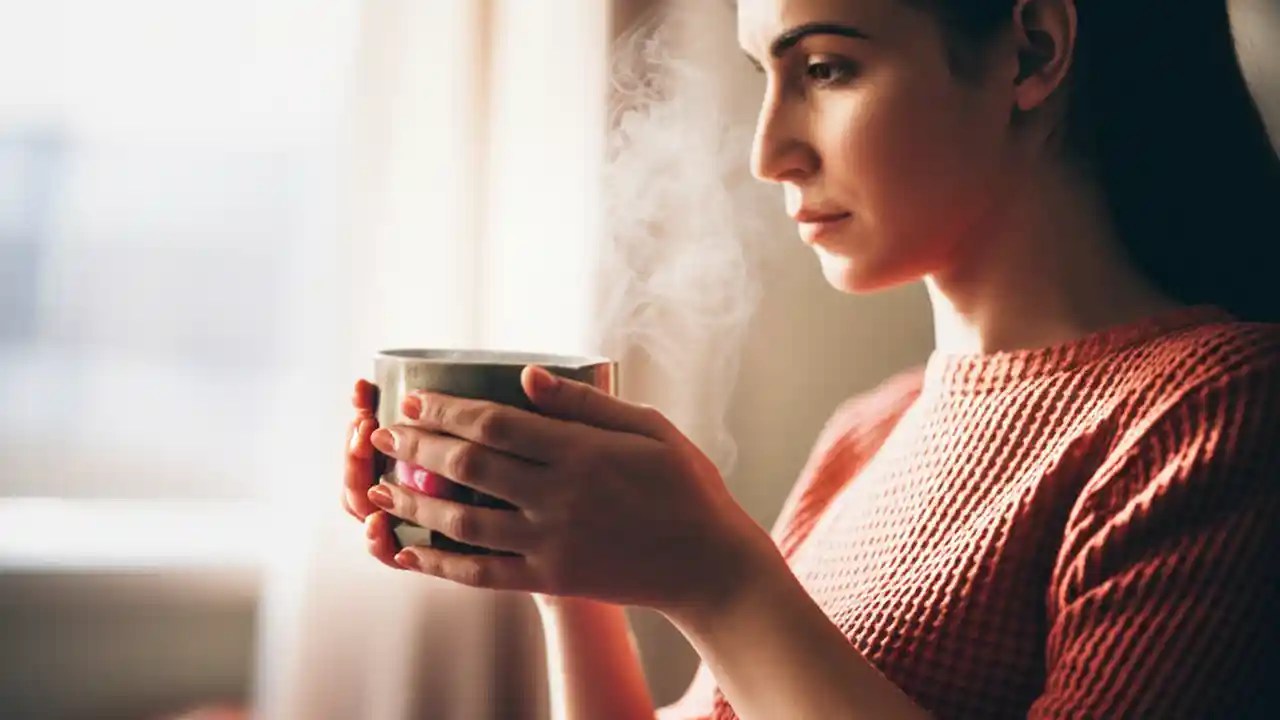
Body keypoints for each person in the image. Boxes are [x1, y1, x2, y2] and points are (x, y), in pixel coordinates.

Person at [341, 0, 1280, 717]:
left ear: (1031, 52)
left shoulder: (1219, 412)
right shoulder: (868, 431)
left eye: (827, 69)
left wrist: (719, 581)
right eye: (765, 76)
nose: (769, 152)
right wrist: (564, 572)